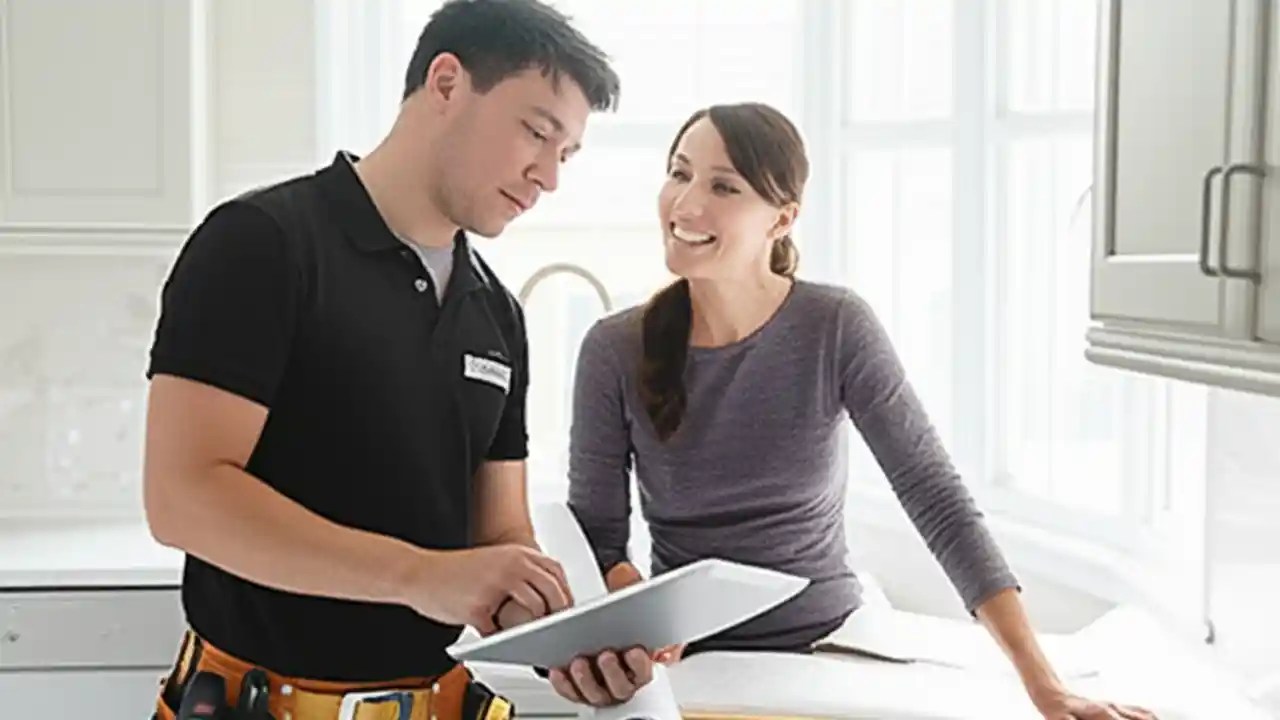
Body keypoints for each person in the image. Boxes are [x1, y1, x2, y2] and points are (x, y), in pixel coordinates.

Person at [141, 1, 657, 717]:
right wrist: (421, 576)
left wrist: (564, 642)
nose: (548, 177)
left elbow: (498, 537)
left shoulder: (498, 315)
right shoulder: (261, 244)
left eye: (565, 154)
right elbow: (182, 498)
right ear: (446, 83)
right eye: (536, 133)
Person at [565, 102, 1160, 720]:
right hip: (691, 664)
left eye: (723, 186)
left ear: (783, 219)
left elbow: (937, 500)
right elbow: (597, 543)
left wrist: (1047, 689)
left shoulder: (835, 326)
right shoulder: (614, 348)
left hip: (832, 646)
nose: (686, 204)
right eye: (679, 173)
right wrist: (640, 608)